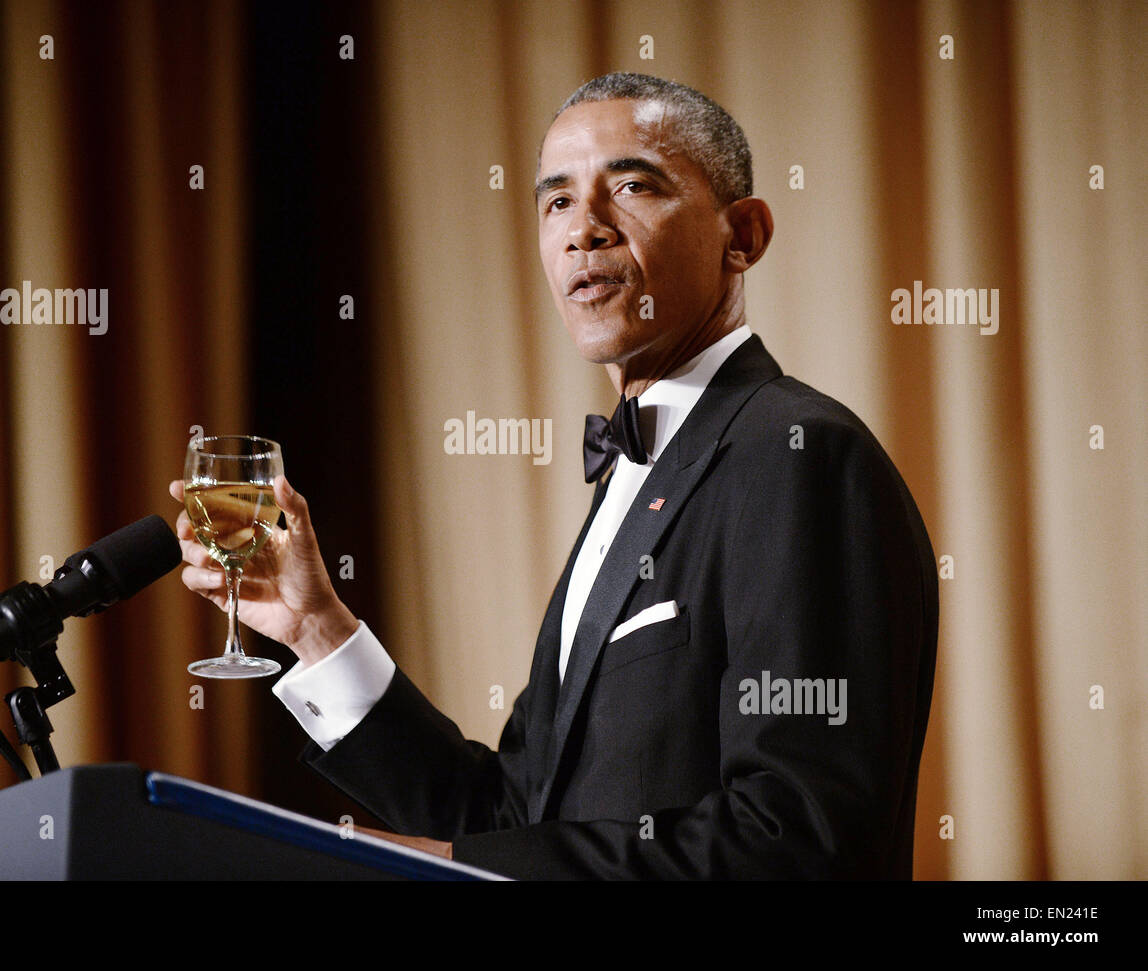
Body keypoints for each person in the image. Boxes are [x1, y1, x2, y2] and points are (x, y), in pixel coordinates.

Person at [170, 72, 938, 879]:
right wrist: (313, 626)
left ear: (741, 235)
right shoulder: (634, 474)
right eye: (557, 202)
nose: (584, 230)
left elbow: (799, 838)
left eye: (633, 186)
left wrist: (442, 861)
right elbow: (511, 819)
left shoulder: (798, 455)